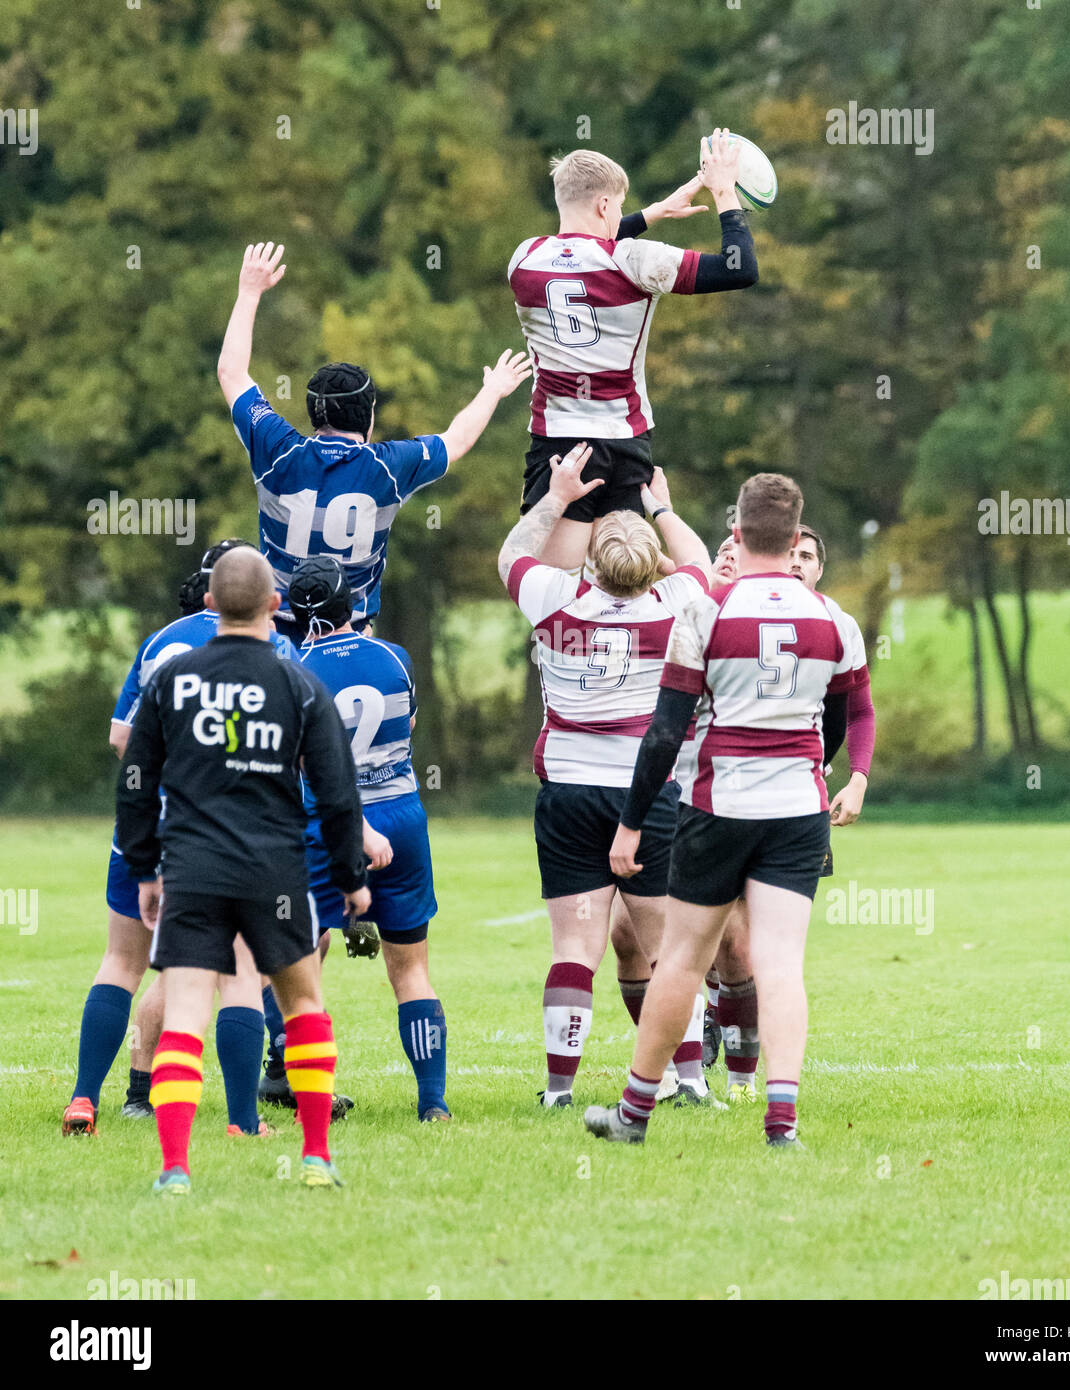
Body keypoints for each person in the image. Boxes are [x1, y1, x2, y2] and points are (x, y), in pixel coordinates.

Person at [584, 473, 868, 1148]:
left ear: (736, 535)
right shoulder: (834, 618)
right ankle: (781, 1122)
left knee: (681, 958)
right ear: (797, 539)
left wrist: (629, 823)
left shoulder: (706, 611)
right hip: (798, 807)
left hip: (721, 802)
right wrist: (855, 776)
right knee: (780, 963)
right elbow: (856, 707)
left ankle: (634, 1113)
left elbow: (664, 733)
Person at [116, 547, 369, 1193]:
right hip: (275, 873)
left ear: (209, 603)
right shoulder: (298, 683)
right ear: (274, 606)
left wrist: (146, 868)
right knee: (304, 1003)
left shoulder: (173, 680)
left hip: (193, 869)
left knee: (185, 1016)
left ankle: (174, 1170)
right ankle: (316, 1158)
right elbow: (338, 794)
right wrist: (350, 879)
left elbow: (136, 780)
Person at [498, 443, 714, 1108]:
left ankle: (559, 1089)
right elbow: (703, 564)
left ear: (591, 560)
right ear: (653, 565)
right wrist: (661, 505)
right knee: (665, 946)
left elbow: (512, 555)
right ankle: (693, 1080)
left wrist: (558, 498)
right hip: (647, 793)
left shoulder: (555, 600)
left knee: (577, 944)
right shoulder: (673, 604)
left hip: (568, 789)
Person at [62, 540, 293, 1137]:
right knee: (239, 971)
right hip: (234, 833)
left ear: (209, 589)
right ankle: (244, 1121)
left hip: (152, 824)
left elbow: (123, 739)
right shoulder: (279, 646)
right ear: (266, 593)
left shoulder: (162, 642)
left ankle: (84, 1099)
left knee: (120, 962)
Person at [216, 242, 532, 642]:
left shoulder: (278, 449)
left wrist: (248, 291)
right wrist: (493, 390)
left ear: (315, 414)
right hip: (352, 638)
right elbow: (456, 441)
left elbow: (231, 372)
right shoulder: (388, 467)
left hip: (277, 637)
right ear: (368, 417)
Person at [508, 135, 759, 569]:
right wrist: (723, 191)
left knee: (554, 589)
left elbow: (583, 246)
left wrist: (654, 212)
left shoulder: (524, 258)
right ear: (605, 206)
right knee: (625, 581)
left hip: (558, 443)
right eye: (618, 206)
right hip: (625, 441)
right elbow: (740, 269)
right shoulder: (636, 261)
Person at [700, 524, 876, 1099]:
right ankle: (713, 1015)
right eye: (791, 553)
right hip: (726, 793)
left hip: (801, 798)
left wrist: (857, 779)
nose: (798, 562)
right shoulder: (728, 610)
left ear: (820, 567)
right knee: (721, 932)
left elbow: (861, 711)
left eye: (809, 556)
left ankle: (744, 1071)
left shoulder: (833, 622)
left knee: (755, 944)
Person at [277, 555, 451, 1123]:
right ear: (351, 604)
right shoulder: (394, 658)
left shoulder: (292, 670)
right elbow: (409, 731)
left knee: (300, 962)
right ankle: (433, 1103)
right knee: (411, 969)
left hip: (326, 822)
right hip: (401, 813)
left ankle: (306, 1092)